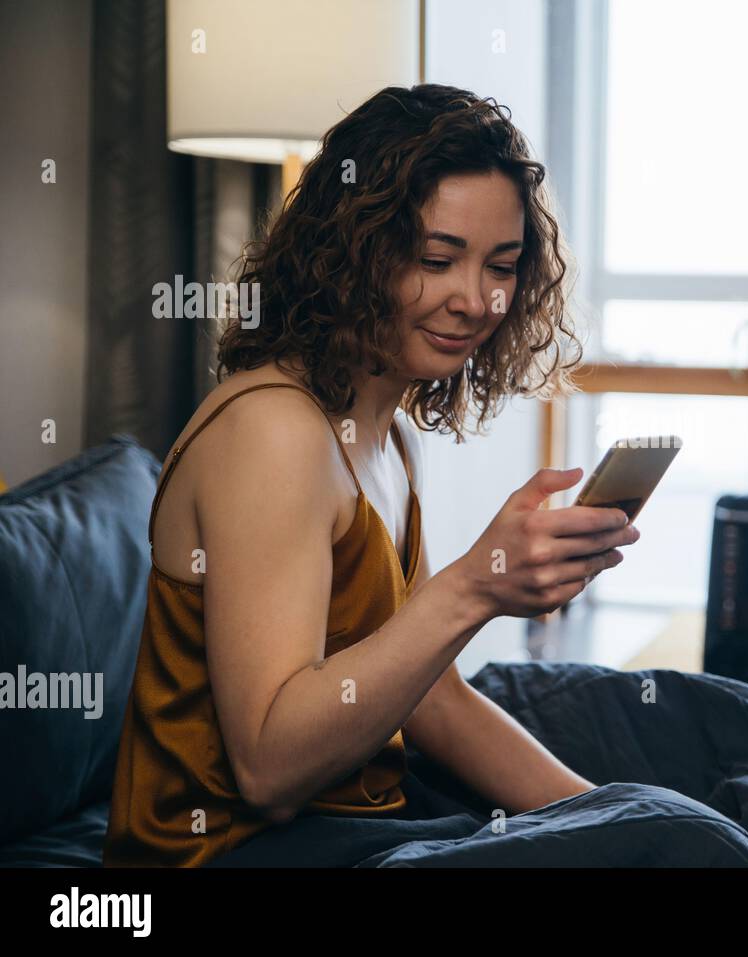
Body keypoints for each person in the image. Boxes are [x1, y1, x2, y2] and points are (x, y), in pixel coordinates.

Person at [102, 84, 640, 867]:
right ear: (351, 251)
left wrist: (614, 815)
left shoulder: (385, 434)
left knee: (694, 747)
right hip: (232, 852)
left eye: (502, 265)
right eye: (435, 259)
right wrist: (476, 586)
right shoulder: (274, 434)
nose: (475, 300)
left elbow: (433, 699)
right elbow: (268, 768)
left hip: (365, 821)